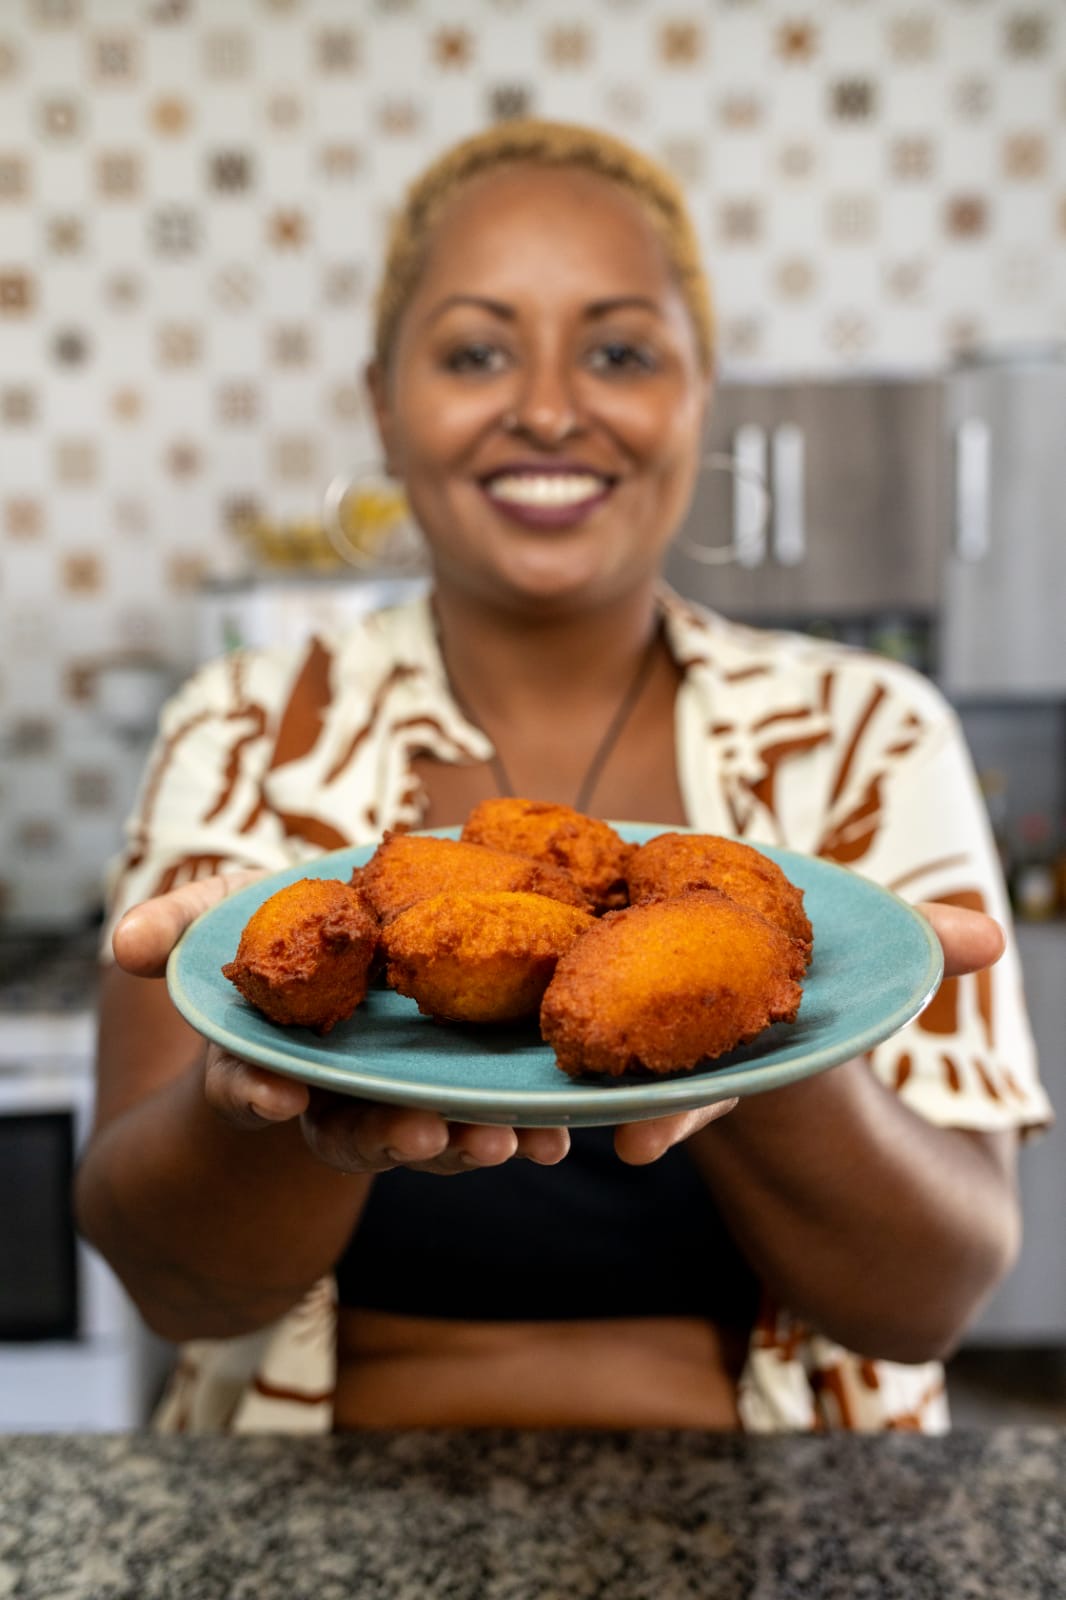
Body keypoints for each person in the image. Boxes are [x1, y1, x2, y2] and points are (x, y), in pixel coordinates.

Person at [76, 120, 1049, 1435]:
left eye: (618, 351)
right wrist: (256, 1087)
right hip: (306, 1507)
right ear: (382, 402)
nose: (545, 406)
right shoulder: (245, 725)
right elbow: (171, 1286)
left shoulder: (866, 735)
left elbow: (927, 1301)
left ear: (699, 394)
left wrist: (782, 1009)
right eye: (477, 351)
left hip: (780, 1520)